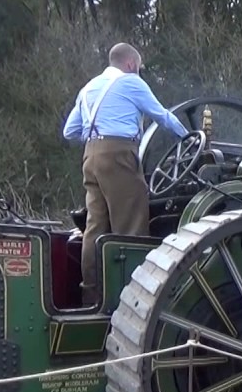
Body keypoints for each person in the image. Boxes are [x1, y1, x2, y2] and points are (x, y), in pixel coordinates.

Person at [62, 43, 190, 304]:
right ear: (131, 64)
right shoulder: (131, 83)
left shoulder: (88, 89)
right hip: (120, 155)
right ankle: (133, 302)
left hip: (90, 156)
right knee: (130, 227)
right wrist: (190, 138)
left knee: (95, 228)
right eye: (139, 67)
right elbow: (162, 116)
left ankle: (92, 295)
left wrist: (97, 140)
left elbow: (69, 131)